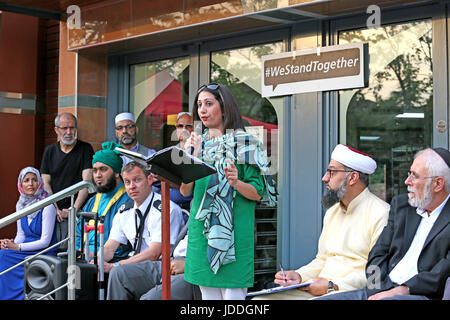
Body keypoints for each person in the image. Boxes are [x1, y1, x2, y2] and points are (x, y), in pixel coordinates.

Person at [180, 83, 277, 300]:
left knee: (233, 297)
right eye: (199, 105)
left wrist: (236, 183)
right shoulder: (196, 145)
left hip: (235, 236)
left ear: (224, 108)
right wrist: (191, 157)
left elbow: (258, 193)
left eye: (208, 104)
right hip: (201, 233)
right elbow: (185, 191)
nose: (202, 110)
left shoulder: (247, 143)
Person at [256, 144, 390, 300]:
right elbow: (322, 260)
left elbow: (377, 272)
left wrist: (333, 285)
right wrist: (299, 276)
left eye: (332, 172)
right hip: (320, 289)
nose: (325, 178)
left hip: (350, 292)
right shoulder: (333, 212)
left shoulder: (382, 213)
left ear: (353, 177)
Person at [317, 147, 450, 300]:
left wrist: (402, 290)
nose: (407, 181)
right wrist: (376, 289)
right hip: (382, 289)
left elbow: (442, 272)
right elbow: (378, 253)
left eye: (415, 176)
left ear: (437, 184)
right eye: (409, 174)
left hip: (418, 294)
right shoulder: (402, 206)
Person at [100, 161, 184, 274]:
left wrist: (117, 266)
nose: (132, 186)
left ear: (150, 179)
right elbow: (110, 247)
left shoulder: (166, 209)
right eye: (127, 182)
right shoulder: (124, 211)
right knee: (89, 270)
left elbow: (155, 253)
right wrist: (98, 260)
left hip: (161, 266)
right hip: (134, 264)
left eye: (137, 180)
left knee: (117, 273)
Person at [0, 167, 58, 300]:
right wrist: (11, 244)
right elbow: (21, 235)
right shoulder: (20, 205)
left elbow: (45, 241)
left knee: (3, 256)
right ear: (21, 184)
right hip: (27, 248)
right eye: (26, 180)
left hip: (44, 250)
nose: (30, 184)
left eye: (34, 180)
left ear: (40, 182)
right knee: (3, 254)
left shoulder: (47, 205)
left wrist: (17, 247)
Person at [40, 112, 94, 250]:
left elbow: (86, 182)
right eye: (64, 128)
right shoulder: (49, 151)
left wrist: (73, 210)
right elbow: (45, 183)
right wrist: (54, 208)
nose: (69, 132)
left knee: (71, 250)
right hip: (54, 210)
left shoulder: (86, 149)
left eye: (72, 128)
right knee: (51, 249)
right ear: (56, 130)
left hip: (79, 210)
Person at [107, 226, 201, 300]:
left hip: (198, 269)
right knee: (118, 274)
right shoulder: (198, 204)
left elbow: (154, 253)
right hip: (174, 260)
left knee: (151, 298)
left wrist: (189, 266)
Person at [75, 142, 132, 262]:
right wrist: (76, 251)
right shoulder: (92, 200)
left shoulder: (128, 199)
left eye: (103, 169)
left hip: (109, 260)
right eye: (95, 170)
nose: (97, 175)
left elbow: (123, 245)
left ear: (117, 172)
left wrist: (92, 254)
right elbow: (78, 232)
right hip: (83, 257)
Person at [153, 111, 194, 210]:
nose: (184, 129)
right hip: (163, 205)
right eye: (180, 126)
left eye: (188, 126)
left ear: (194, 129)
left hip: (185, 209)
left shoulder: (198, 153)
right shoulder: (170, 153)